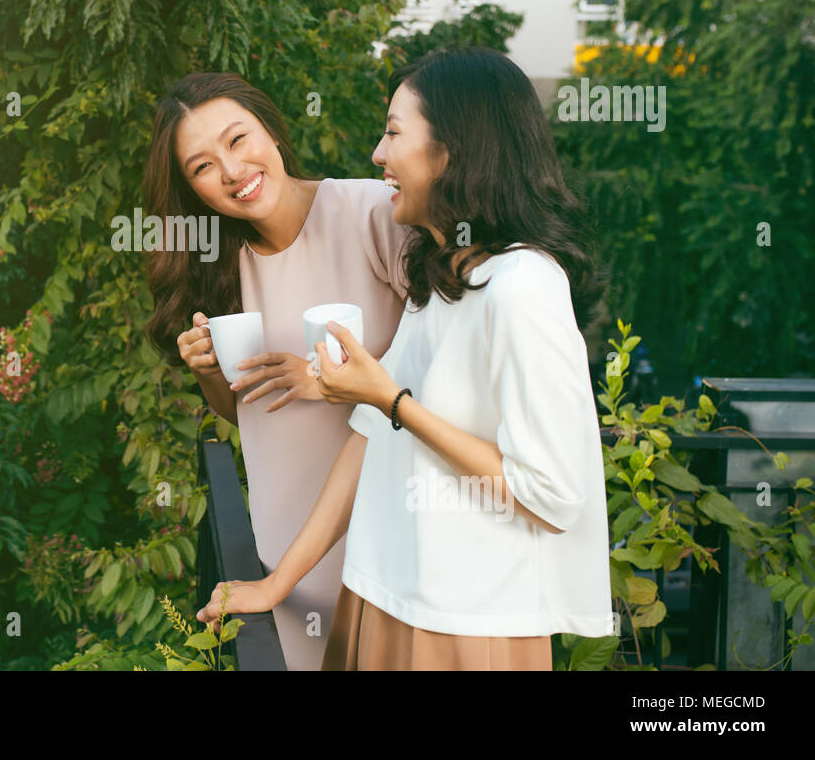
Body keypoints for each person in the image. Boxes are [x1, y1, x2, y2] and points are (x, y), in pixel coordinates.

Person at [196, 47, 616, 670]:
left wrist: (390, 399)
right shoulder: (443, 281)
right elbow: (368, 440)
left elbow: (551, 495)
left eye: (394, 132)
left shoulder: (524, 283)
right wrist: (276, 584)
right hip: (384, 596)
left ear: (451, 151)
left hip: (465, 623)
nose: (378, 154)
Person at [144, 72, 413, 670]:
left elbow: (440, 363)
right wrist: (208, 370)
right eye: (203, 167)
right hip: (288, 558)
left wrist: (321, 379)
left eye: (238, 140)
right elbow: (242, 411)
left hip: (393, 536)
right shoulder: (219, 264)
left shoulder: (370, 210)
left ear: (270, 128)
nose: (233, 171)